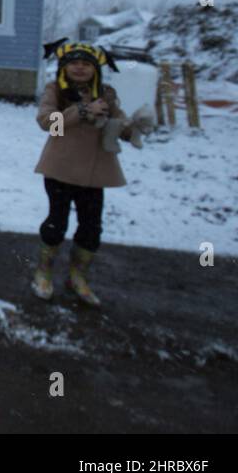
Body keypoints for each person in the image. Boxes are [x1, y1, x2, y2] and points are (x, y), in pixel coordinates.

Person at [30, 39, 144, 307]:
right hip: (60, 167)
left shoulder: (107, 93)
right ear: (63, 67)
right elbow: (48, 123)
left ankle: (77, 277)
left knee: (92, 227)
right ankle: (43, 272)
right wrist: (82, 110)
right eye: (74, 63)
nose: (80, 68)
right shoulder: (55, 90)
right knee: (56, 223)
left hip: (96, 172)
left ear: (96, 69)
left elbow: (118, 122)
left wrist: (131, 127)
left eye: (86, 64)